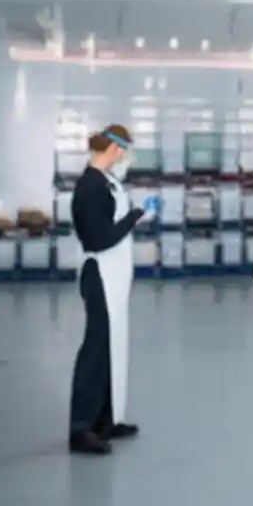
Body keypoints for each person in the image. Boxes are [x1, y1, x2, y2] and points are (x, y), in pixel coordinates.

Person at [68, 124, 159, 455]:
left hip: (114, 278)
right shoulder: (90, 186)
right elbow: (98, 238)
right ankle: (80, 428)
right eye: (126, 152)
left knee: (112, 347)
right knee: (95, 349)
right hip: (99, 276)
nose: (126, 159)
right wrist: (136, 216)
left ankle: (106, 420)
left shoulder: (107, 182)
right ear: (115, 150)